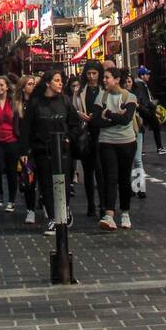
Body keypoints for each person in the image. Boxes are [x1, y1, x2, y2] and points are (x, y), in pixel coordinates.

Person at [18, 69, 82, 235]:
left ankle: (64, 210)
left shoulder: (66, 101)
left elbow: (76, 125)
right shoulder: (35, 103)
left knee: (64, 183)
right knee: (46, 185)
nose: (60, 83)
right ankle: (53, 218)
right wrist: (24, 151)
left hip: (62, 150)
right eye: (57, 80)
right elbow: (26, 128)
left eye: (61, 80)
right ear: (48, 83)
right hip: (42, 150)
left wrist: (69, 138)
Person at [92, 64, 139, 230]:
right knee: (110, 177)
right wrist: (114, 117)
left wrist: (109, 115)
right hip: (106, 142)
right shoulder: (101, 97)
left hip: (127, 142)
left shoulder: (129, 97)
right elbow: (95, 121)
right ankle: (109, 215)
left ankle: (125, 212)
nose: (103, 80)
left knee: (124, 178)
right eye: (103, 78)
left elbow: (126, 119)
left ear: (117, 80)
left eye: (107, 78)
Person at [72, 61, 103, 217]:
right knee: (88, 170)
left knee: (100, 169)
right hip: (85, 133)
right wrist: (79, 114)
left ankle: (103, 205)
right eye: (89, 73)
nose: (91, 77)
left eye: (94, 73)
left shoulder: (104, 89)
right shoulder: (79, 92)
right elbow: (73, 110)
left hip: (102, 133)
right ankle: (91, 204)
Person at [0, 76, 19, 212]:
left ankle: (11, 200)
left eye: (1, 85)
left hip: (11, 140)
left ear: (7, 87)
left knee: (12, 171)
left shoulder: (13, 103)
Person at [13, 74, 39, 223]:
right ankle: (30, 210)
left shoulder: (40, 102)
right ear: (23, 87)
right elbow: (17, 129)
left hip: (40, 146)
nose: (33, 86)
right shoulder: (18, 105)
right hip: (26, 149)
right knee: (29, 180)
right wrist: (24, 148)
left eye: (34, 84)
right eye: (30, 84)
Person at [133, 67, 166, 155]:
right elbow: (143, 98)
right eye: (147, 74)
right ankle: (159, 148)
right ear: (142, 76)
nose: (149, 76)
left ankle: (141, 150)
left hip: (145, 109)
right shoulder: (141, 84)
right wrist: (150, 105)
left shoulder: (141, 83)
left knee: (142, 128)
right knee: (154, 126)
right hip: (146, 110)